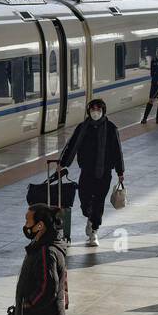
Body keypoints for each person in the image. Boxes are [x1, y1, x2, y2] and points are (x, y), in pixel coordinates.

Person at [58, 97, 125, 248]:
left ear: (103, 111)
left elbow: (117, 151)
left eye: (98, 110)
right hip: (86, 170)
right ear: (88, 111)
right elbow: (72, 145)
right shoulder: (83, 127)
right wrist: (63, 163)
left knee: (98, 201)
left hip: (104, 173)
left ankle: (94, 230)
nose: (95, 112)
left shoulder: (111, 128)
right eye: (93, 110)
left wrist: (120, 171)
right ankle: (89, 217)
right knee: (84, 199)